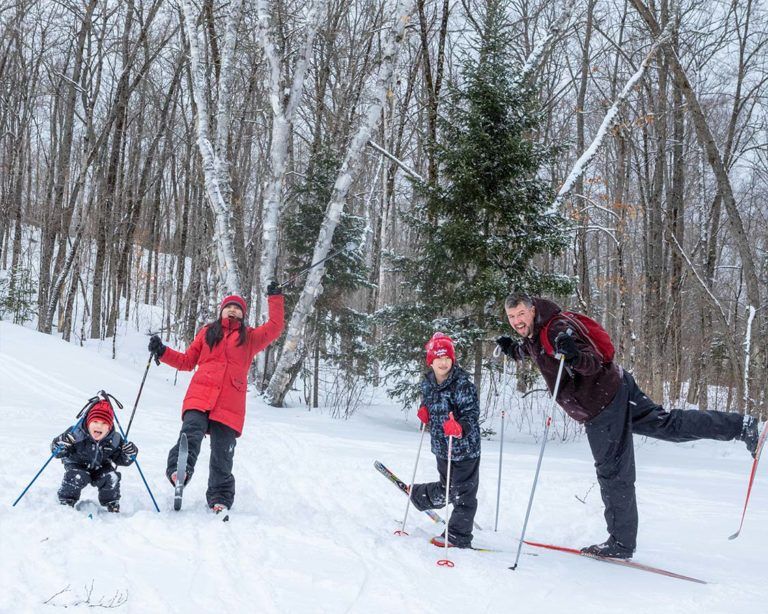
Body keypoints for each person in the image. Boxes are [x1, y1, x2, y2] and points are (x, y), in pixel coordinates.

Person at [496, 292, 761, 559]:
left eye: (521, 314)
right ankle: (741, 426)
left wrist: (575, 357)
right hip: (616, 388)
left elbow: (592, 360)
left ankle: (621, 544)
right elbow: (536, 349)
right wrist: (515, 350)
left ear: (532, 310)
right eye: (511, 317)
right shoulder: (538, 331)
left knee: (613, 472)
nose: (517, 321)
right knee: (666, 424)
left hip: (602, 404)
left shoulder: (557, 329)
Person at [148, 282, 284, 514]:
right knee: (191, 433)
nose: (232, 310)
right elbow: (186, 361)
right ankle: (180, 470)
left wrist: (275, 298)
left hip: (230, 404)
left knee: (223, 452)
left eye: (237, 308)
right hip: (200, 396)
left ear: (243, 315)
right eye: (228, 307)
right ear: (221, 311)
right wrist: (163, 352)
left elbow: (275, 327)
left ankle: (220, 496)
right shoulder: (207, 333)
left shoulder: (250, 338)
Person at [409, 332, 482, 549]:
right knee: (447, 488)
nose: (443, 362)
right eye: (439, 358)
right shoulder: (428, 384)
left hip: (466, 449)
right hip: (442, 447)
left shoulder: (462, 384)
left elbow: (471, 413)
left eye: (447, 358)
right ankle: (420, 496)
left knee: (464, 494)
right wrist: (424, 411)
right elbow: (428, 403)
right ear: (430, 361)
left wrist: (460, 427)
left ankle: (458, 536)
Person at [52, 399, 138, 513]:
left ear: (109, 427)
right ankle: (66, 501)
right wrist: (61, 444)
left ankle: (112, 503)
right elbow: (57, 452)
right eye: (95, 421)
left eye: (104, 423)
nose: (99, 426)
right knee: (76, 476)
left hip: (101, 466)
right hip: (77, 464)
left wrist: (129, 454)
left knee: (111, 476)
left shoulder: (114, 438)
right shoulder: (76, 433)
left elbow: (121, 460)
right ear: (88, 422)